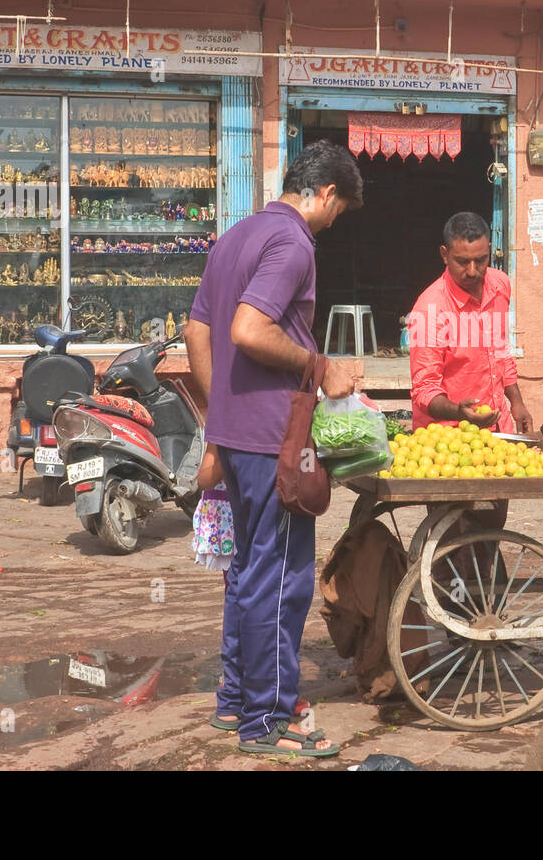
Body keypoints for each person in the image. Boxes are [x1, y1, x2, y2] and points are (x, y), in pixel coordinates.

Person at [184, 139, 362, 757]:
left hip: (237, 433)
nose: (333, 226)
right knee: (283, 577)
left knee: (247, 573)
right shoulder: (292, 241)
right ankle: (269, 720)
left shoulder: (237, 234)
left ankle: (236, 703)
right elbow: (247, 329)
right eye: (338, 214)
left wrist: (218, 417)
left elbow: (196, 328)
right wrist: (319, 366)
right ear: (328, 193)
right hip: (270, 438)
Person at [407, 211, 533, 537]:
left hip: (497, 436)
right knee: (452, 542)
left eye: (481, 260)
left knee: (489, 531)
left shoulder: (499, 285)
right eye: (462, 261)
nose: (473, 271)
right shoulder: (429, 310)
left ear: (490, 249)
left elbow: (500, 348)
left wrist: (515, 401)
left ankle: (483, 587)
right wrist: (459, 412)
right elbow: (424, 390)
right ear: (444, 254)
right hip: (449, 444)